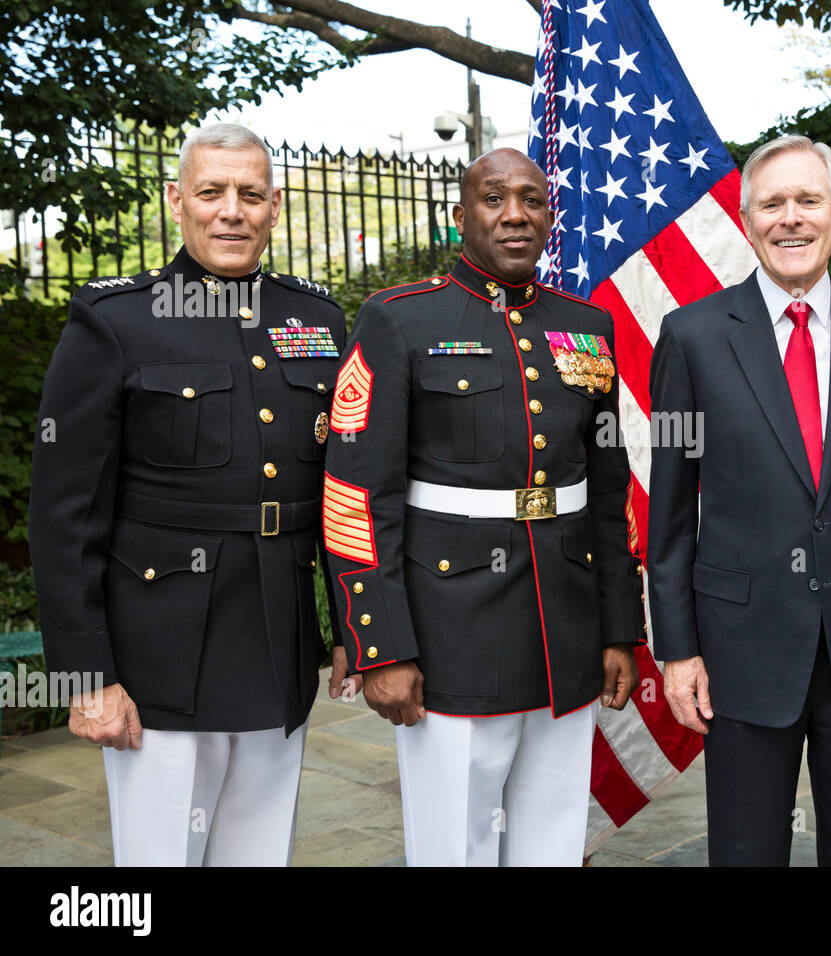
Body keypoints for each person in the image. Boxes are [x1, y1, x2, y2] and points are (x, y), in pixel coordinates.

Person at [28, 122, 350, 866]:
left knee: (258, 854)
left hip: (279, 643)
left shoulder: (316, 320)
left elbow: (341, 489)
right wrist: (88, 676)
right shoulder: (115, 322)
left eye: (250, 194)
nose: (230, 211)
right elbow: (64, 516)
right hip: (159, 655)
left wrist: (352, 632)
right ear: (177, 201)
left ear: (276, 206)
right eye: (211, 193)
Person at [321, 148, 642, 867]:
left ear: (549, 216)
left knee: (554, 838)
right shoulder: (398, 319)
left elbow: (606, 490)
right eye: (494, 198)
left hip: (565, 626)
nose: (515, 214)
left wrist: (621, 626)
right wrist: (381, 644)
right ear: (461, 214)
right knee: (453, 845)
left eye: (531, 199)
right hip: (448, 629)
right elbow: (357, 493)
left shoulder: (586, 325)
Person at [647, 135, 831, 866]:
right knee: (747, 851)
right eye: (772, 203)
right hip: (739, 648)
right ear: (747, 221)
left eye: (808, 201)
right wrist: (678, 649)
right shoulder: (692, 337)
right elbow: (672, 514)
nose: (791, 219)